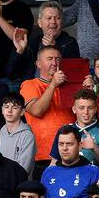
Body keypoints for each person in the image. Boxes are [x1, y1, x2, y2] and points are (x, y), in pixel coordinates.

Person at [19, 46, 75, 176]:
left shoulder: (72, 85)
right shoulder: (29, 84)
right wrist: (53, 85)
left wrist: (90, 88)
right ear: (38, 64)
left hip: (73, 152)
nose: (55, 63)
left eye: (58, 59)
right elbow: (37, 110)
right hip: (43, 155)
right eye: (49, 59)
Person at [42, 125, 99, 198]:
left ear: (80, 145)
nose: (64, 148)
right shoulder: (48, 172)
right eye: (61, 144)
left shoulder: (93, 172)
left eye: (69, 144)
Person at [7, 1, 81, 79]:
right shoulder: (31, 43)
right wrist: (19, 52)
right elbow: (11, 74)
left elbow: (73, 75)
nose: (53, 22)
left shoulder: (70, 43)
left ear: (62, 22)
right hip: (33, 88)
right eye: (49, 18)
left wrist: (54, 48)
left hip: (59, 88)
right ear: (39, 22)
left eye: (58, 18)